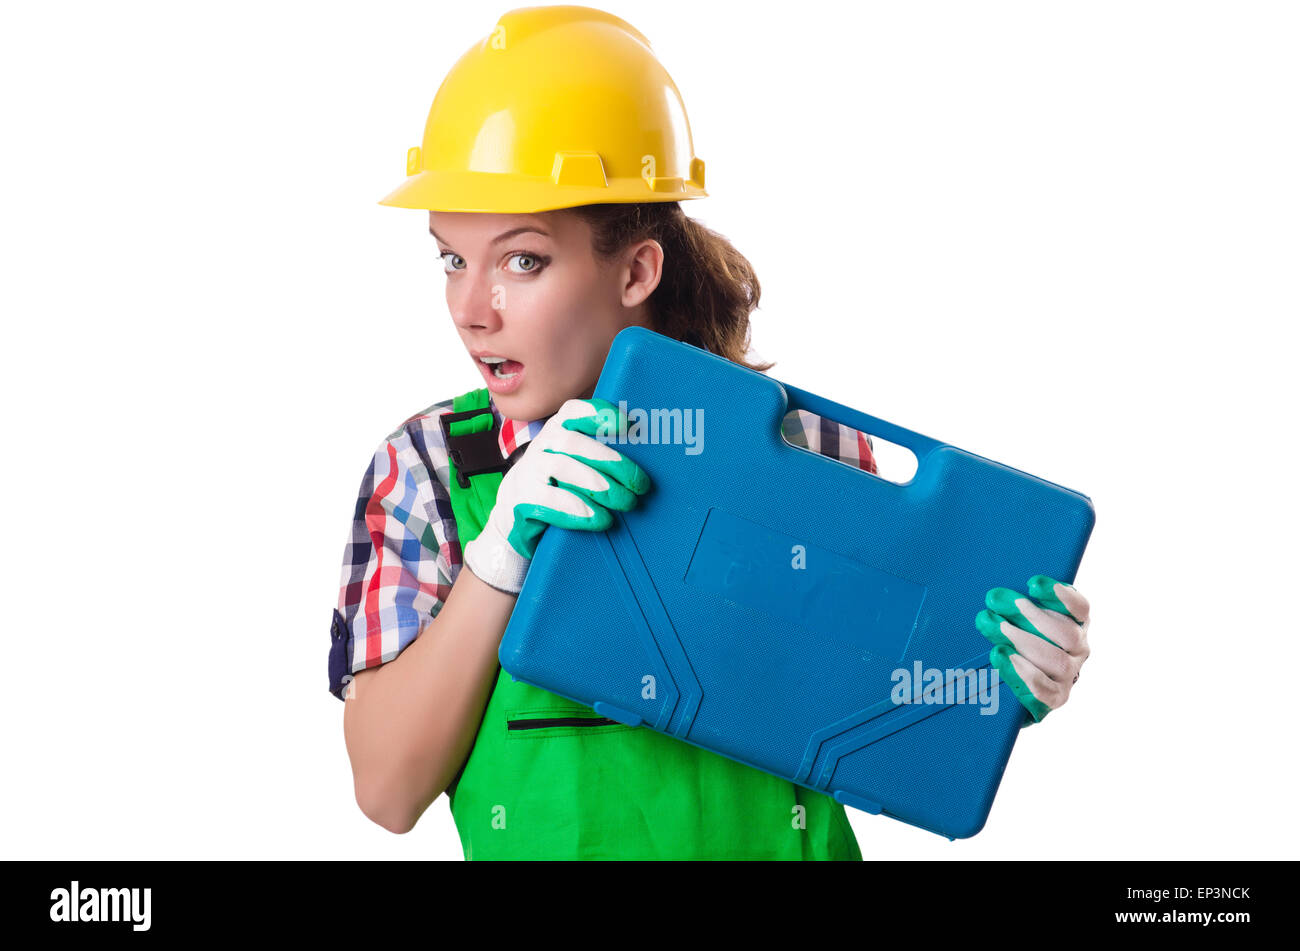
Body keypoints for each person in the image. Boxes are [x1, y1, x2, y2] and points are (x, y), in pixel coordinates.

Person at [327, 5, 1092, 860]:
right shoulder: (429, 471)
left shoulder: (815, 456)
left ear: (638, 268)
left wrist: (993, 683)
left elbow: (884, 735)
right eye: (451, 258)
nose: (471, 310)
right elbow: (387, 792)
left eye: (522, 260)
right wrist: (498, 560)